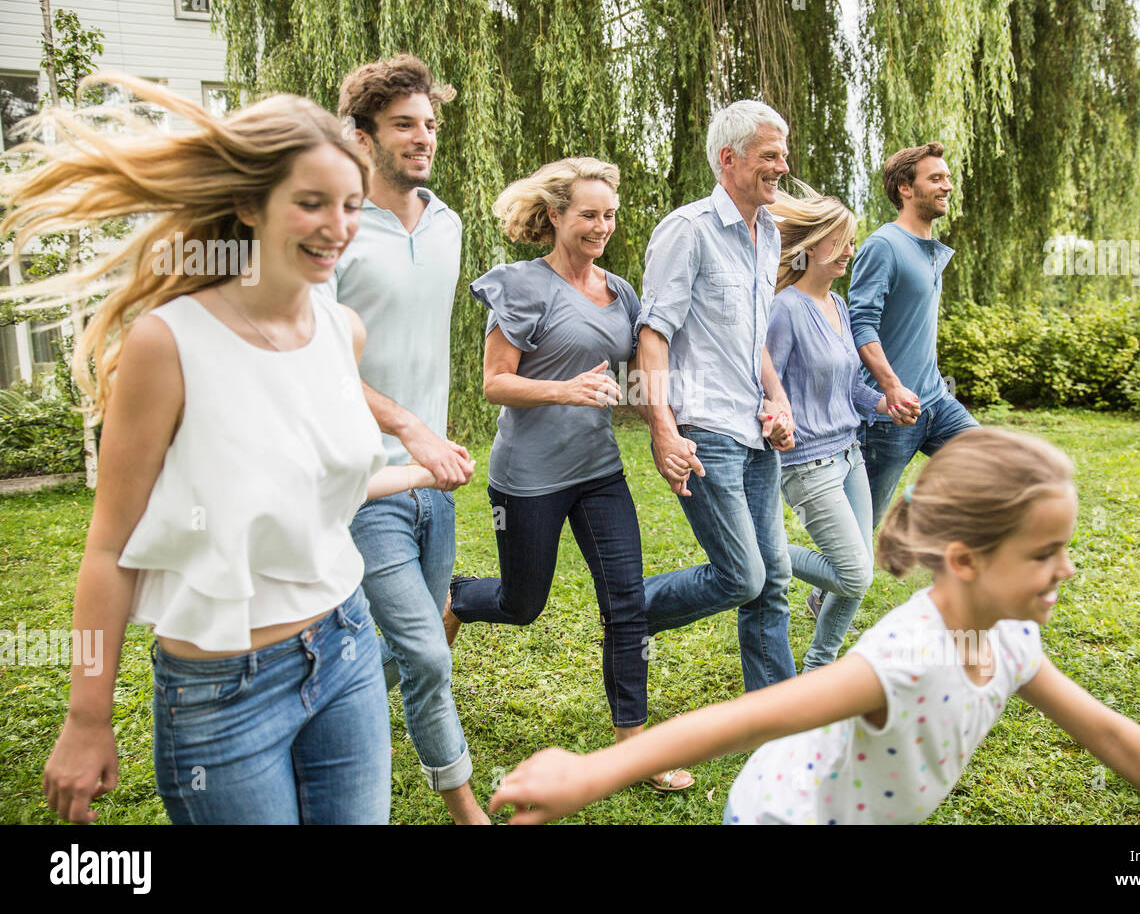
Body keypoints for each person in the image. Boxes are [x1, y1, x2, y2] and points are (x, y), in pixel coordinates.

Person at [11, 75, 450, 824]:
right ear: (248, 205)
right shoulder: (169, 342)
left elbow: (319, 493)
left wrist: (419, 466)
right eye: (310, 203)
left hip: (344, 651)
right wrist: (88, 716)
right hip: (221, 691)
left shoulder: (342, 330)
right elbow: (109, 549)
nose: (337, 227)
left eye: (349, 205)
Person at [488, 428, 1140, 826]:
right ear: (964, 559)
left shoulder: (1012, 640)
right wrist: (590, 774)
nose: (1065, 570)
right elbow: (740, 720)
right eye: (1045, 554)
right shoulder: (908, 656)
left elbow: (1113, 737)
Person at [444, 157, 693, 793]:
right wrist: (566, 390)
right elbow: (494, 382)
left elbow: (636, 380)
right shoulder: (522, 286)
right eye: (588, 214)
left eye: (609, 215)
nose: (601, 226)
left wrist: (670, 426)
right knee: (522, 603)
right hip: (528, 477)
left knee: (626, 602)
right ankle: (456, 598)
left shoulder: (620, 292)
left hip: (598, 472)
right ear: (555, 215)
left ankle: (632, 747)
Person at [324, 55, 485, 823]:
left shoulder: (449, 222)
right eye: (403, 125)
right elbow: (309, 364)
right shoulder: (335, 232)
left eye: (429, 124)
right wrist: (406, 426)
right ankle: (466, 809)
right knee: (425, 651)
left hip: (435, 481)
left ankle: (321, 699)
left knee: (397, 650)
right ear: (362, 139)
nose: (422, 138)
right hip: (363, 479)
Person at [633, 100, 799, 692]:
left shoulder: (771, 234)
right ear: (729, 159)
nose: (783, 166)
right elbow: (653, 336)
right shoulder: (688, 230)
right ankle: (628, 612)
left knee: (774, 577)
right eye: (771, 155)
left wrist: (779, 404)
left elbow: (753, 341)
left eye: (784, 153)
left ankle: (776, 712)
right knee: (742, 576)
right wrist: (662, 429)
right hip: (705, 431)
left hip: (756, 433)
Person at [765, 184, 919, 673]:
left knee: (858, 573)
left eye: (852, 241)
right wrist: (775, 419)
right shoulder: (785, 309)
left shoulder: (839, 306)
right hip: (807, 463)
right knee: (854, 575)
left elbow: (849, 385)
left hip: (850, 453)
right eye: (841, 241)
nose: (850, 251)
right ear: (809, 246)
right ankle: (763, 550)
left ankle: (818, 669)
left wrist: (884, 402)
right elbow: (762, 384)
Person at [848, 142, 975, 549]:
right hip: (891, 416)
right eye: (936, 178)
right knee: (861, 526)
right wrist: (892, 387)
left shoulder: (927, 248)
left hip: (936, 401)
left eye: (948, 178)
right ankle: (824, 594)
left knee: (990, 463)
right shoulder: (883, 246)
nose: (947, 186)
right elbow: (860, 324)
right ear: (905, 188)